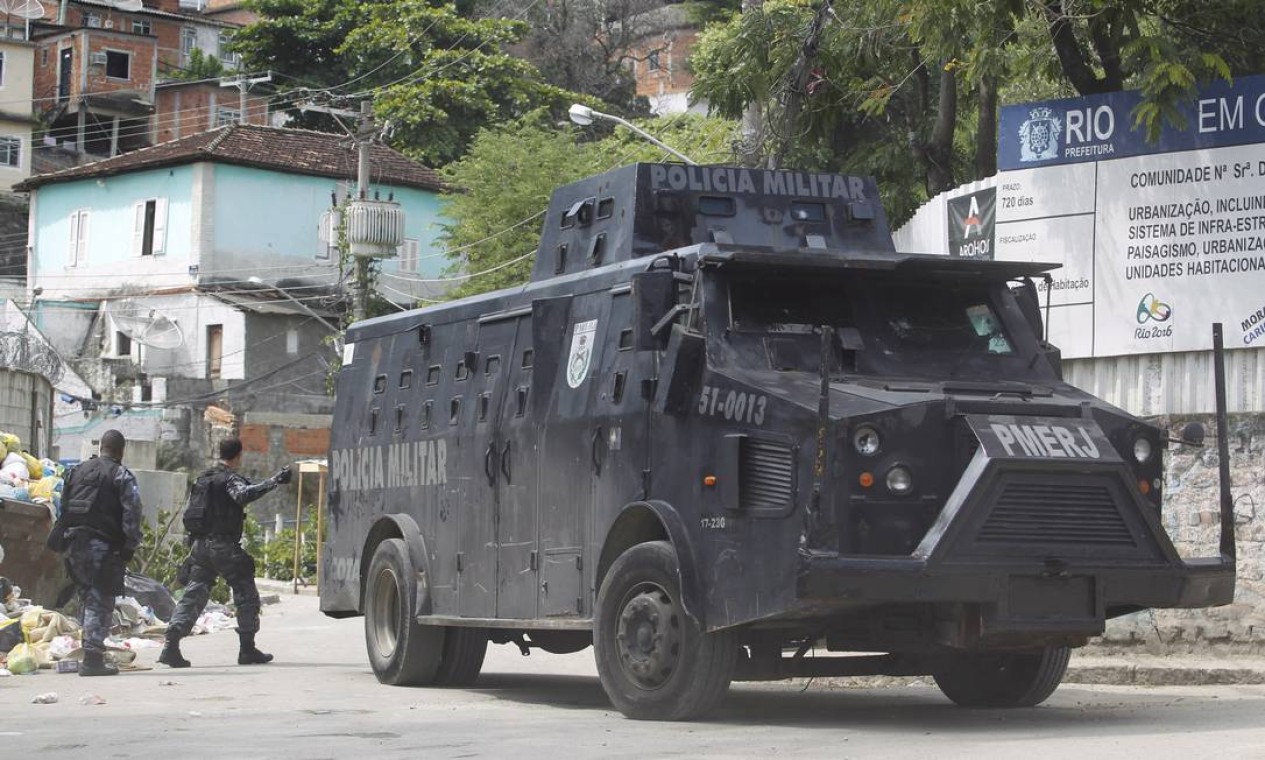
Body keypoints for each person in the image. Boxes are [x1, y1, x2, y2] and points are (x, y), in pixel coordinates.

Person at [159, 437, 291, 668]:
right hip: (223, 546)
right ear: (238, 456)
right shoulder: (230, 479)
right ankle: (247, 649)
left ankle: (171, 645)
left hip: (200, 548)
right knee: (246, 595)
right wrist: (274, 481)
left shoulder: (203, 479)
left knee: (193, 596)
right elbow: (242, 495)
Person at [52, 430, 143, 677]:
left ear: (101, 447)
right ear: (121, 451)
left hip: (73, 544)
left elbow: (63, 506)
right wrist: (129, 547)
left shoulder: (77, 471)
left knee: (86, 596)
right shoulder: (121, 475)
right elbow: (132, 515)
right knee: (100, 599)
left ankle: (89, 652)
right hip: (101, 547)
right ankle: (92, 659)